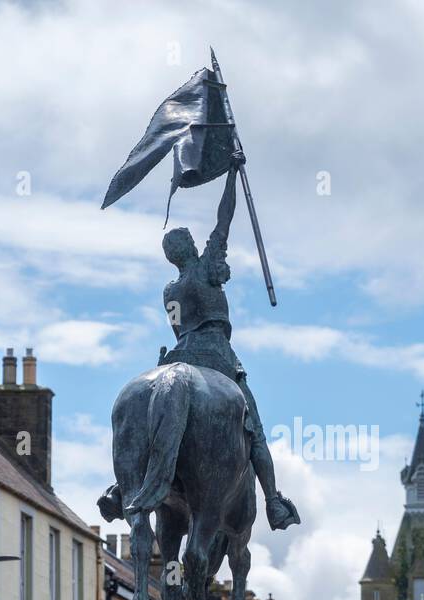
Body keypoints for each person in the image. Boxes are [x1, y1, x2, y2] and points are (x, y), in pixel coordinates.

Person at [99, 151, 299, 530]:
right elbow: (226, 218)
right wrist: (232, 174)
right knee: (254, 431)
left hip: (179, 354)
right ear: (189, 250)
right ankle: (274, 501)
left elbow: (177, 330)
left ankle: (119, 487)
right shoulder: (206, 269)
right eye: (191, 241)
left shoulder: (170, 291)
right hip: (218, 357)